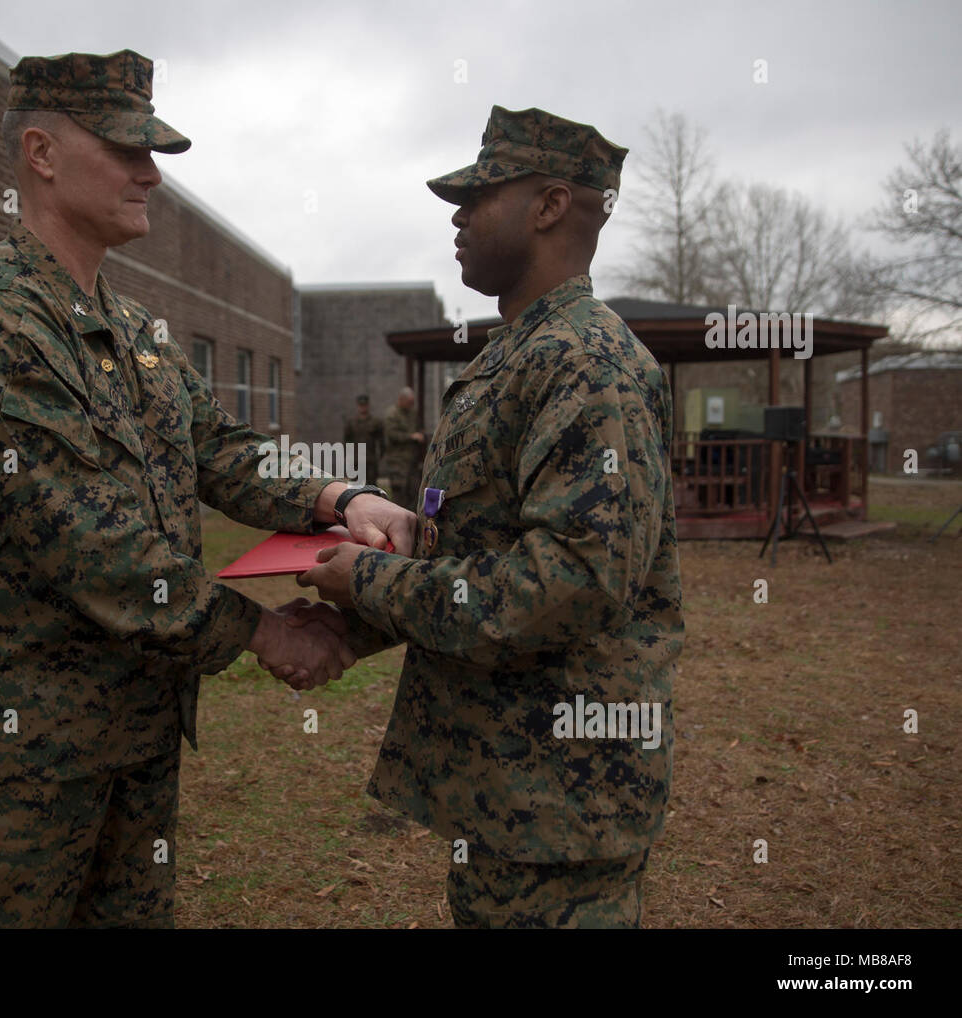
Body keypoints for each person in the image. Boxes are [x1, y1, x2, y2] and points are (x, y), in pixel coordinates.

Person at [0, 50, 414, 929]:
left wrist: (339, 501)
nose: (151, 174)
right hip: (13, 753)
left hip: (131, 734)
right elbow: (88, 544)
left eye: (155, 152)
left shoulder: (133, 330)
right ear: (42, 153)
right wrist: (260, 633)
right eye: (127, 149)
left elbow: (223, 450)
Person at [290, 106, 684, 928]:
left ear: (547, 206)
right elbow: (480, 556)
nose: (458, 217)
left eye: (478, 197)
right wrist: (362, 607)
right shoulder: (516, 354)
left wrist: (376, 582)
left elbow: (573, 583)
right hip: (506, 785)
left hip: (564, 799)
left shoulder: (590, 363)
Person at [379, 387, 426, 505]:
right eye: (409, 402)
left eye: (412, 403)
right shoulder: (392, 414)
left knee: (415, 492)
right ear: (401, 399)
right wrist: (411, 436)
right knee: (399, 493)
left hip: (412, 461)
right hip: (398, 462)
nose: (411, 405)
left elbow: (419, 428)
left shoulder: (412, 413)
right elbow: (392, 435)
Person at [343, 394, 385, 485]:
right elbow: (347, 441)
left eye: (364, 405)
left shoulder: (375, 422)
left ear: (368, 406)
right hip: (356, 461)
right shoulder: (351, 423)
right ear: (358, 406)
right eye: (361, 405)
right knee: (355, 487)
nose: (363, 408)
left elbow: (381, 441)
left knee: (371, 487)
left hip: (370, 460)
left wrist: (379, 457)